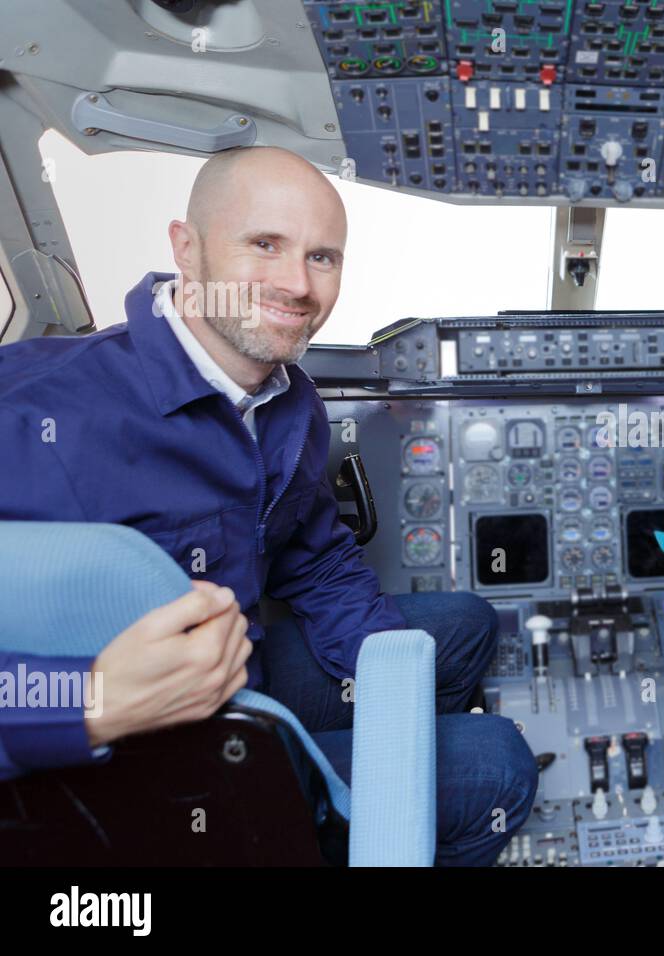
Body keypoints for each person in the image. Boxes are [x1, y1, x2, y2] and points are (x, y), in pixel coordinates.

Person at [0, 146, 536, 866]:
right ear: (186, 250)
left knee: (462, 628)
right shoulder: (33, 412)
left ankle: (374, 801)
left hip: (236, 686)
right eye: (264, 244)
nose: (297, 284)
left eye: (322, 257)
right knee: (498, 761)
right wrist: (88, 703)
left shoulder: (289, 400)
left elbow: (313, 556)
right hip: (134, 773)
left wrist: (390, 687)